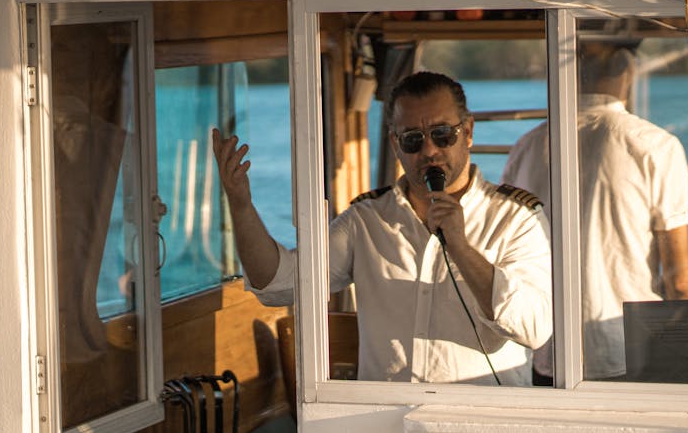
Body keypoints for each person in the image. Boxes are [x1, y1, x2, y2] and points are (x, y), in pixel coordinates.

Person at [213, 71, 552, 386]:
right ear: (394, 144)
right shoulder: (367, 219)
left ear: (469, 132)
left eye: (442, 134)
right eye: (413, 140)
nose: (430, 151)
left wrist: (461, 248)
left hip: (481, 429)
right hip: (385, 427)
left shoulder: (517, 218)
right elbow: (279, 284)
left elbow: (534, 329)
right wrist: (241, 206)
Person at [502, 43, 688, 383]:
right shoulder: (655, 145)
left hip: (544, 352)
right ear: (629, 73)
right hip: (627, 349)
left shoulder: (527, 145)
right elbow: (679, 280)